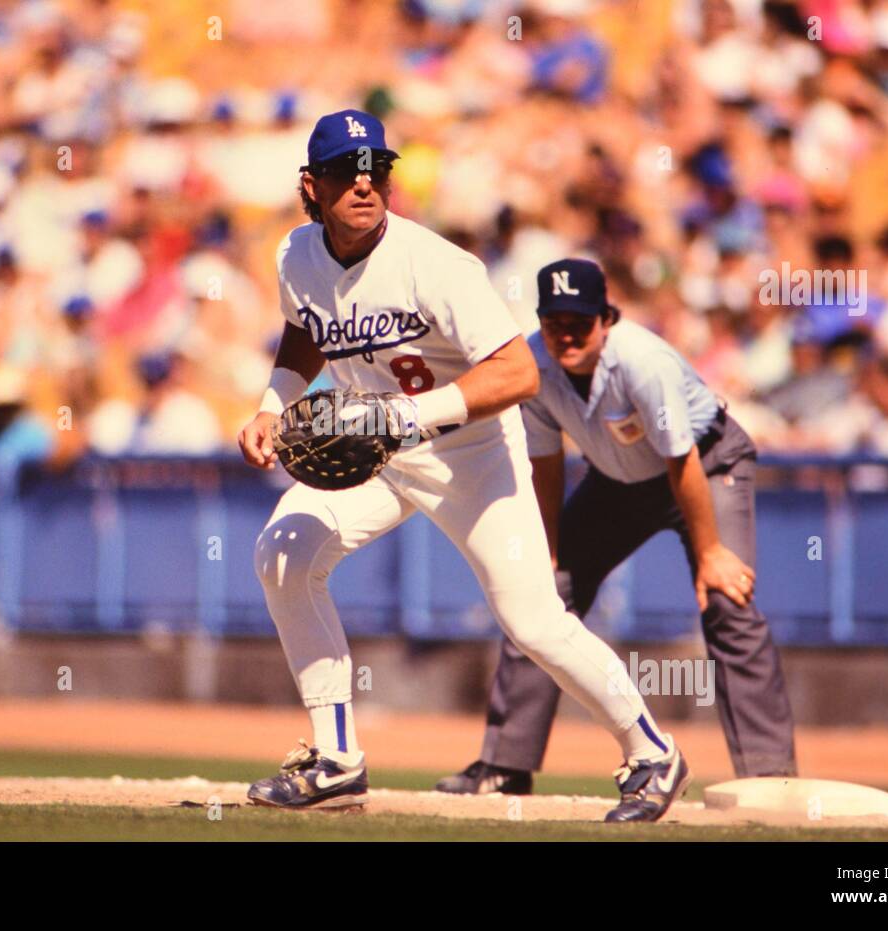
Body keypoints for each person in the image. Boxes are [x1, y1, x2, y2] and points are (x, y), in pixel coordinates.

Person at [236, 112, 690, 822]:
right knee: (282, 554)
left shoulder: (437, 264)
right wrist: (273, 403)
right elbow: (306, 329)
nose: (363, 182)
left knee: (533, 620)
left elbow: (516, 375)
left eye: (376, 169)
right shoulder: (296, 255)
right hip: (376, 447)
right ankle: (336, 759)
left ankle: (652, 751)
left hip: (468, 449)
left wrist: (405, 416)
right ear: (309, 186)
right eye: (344, 171)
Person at [437, 258, 797, 796]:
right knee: (540, 594)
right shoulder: (533, 364)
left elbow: (683, 462)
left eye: (580, 322)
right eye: (555, 321)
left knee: (727, 599)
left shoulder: (641, 360)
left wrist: (711, 552)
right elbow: (546, 463)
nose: (567, 334)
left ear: (606, 318)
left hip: (707, 465)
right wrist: (548, 550)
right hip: (618, 480)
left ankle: (770, 777)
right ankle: (505, 765)